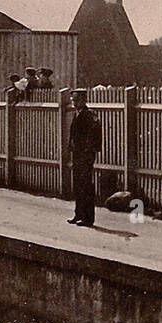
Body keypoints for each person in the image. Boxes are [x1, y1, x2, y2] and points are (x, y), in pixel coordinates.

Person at [67, 88, 103, 227]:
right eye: (73, 100)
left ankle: (88, 218)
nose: (74, 103)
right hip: (78, 154)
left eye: (77, 100)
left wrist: (89, 151)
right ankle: (78, 214)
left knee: (86, 186)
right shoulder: (78, 114)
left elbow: (94, 136)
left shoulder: (89, 115)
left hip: (85, 155)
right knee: (78, 184)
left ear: (84, 100)